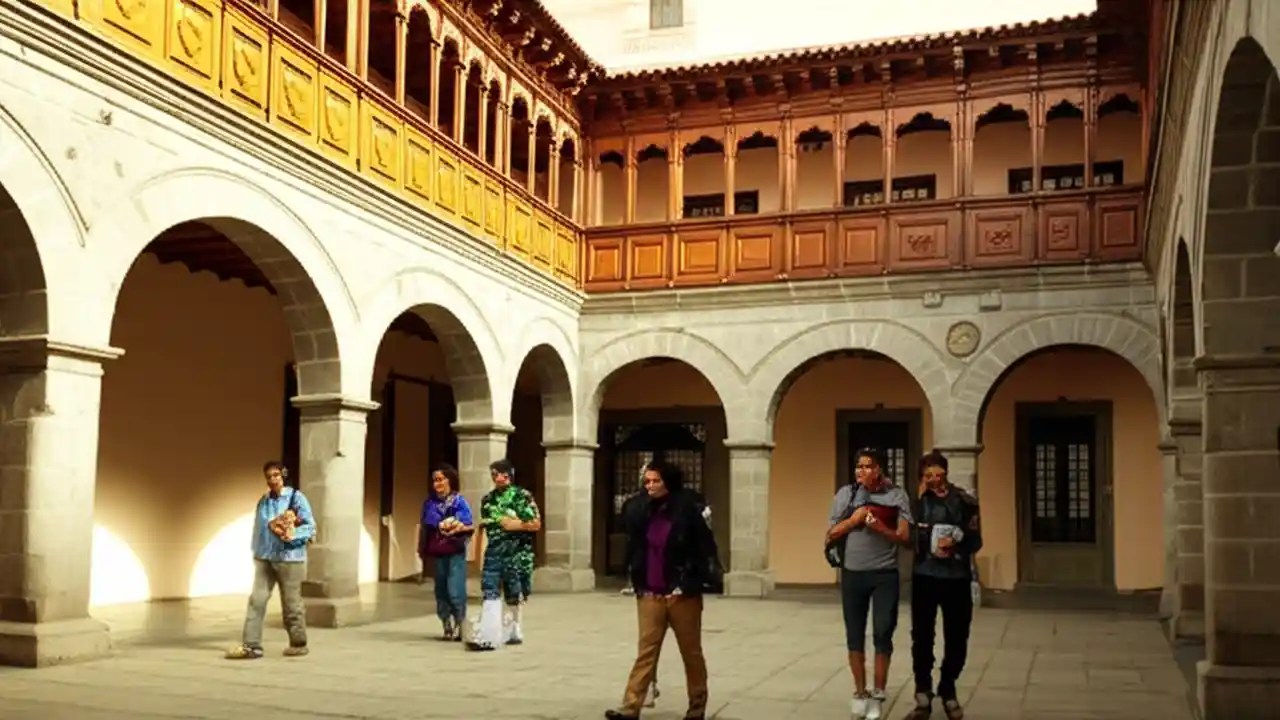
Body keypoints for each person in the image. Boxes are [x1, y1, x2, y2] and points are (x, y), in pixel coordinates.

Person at [605, 460, 718, 720]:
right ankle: (630, 706)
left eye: (656, 481)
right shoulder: (640, 511)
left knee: (691, 652)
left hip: (682, 595)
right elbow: (635, 549)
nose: (651, 486)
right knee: (646, 652)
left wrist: (687, 583)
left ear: (668, 481)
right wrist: (637, 582)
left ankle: (697, 707)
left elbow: (704, 550)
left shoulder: (687, 511)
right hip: (650, 593)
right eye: (647, 481)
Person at [826, 448, 914, 720]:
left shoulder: (897, 496)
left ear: (879, 470)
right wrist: (853, 521)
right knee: (854, 634)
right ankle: (860, 693)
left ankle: (877, 693)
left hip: (884, 575)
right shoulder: (847, 494)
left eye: (867, 466)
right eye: (858, 466)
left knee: (883, 632)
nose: (860, 471)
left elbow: (905, 538)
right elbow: (831, 533)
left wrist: (881, 529)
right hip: (853, 574)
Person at [907, 450, 982, 720]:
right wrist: (917, 501)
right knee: (922, 637)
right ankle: (923, 692)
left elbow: (976, 540)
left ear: (946, 473)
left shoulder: (964, 502)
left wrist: (956, 544)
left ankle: (948, 686)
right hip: (925, 575)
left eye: (937, 473)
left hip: (955, 577)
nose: (933, 479)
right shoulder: (917, 503)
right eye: (927, 475)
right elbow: (907, 538)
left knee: (957, 636)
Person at [225, 460, 316, 660]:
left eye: (276, 475)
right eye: (268, 476)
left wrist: (292, 534)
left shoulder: (296, 498)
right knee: (256, 600)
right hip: (265, 558)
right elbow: (259, 529)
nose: (272, 479)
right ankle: (252, 645)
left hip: (290, 559)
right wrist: (257, 551)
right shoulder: (264, 501)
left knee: (291, 603)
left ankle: (298, 643)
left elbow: (310, 527)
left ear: (283, 475)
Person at [467, 458, 540, 650]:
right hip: (494, 550)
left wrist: (515, 524)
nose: (498, 478)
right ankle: (489, 633)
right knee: (489, 588)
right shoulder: (487, 500)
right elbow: (484, 525)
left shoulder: (521, 496)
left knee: (514, 591)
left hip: (517, 552)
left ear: (510, 475)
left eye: (502, 474)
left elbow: (535, 524)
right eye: (494, 474)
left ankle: (514, 628)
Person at [418, 463, 474, 641]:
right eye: (435, 480)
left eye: (441, 479)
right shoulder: (430, 503)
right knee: (441, 589)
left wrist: (456, 525)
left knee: (455, 588)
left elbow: (467, 521)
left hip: (455, 550)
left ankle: (460, 622)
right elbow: (428, 523)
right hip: (437, 551)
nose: (437, 484)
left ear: (450, 480)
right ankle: (446, 623)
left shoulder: (459, 501)